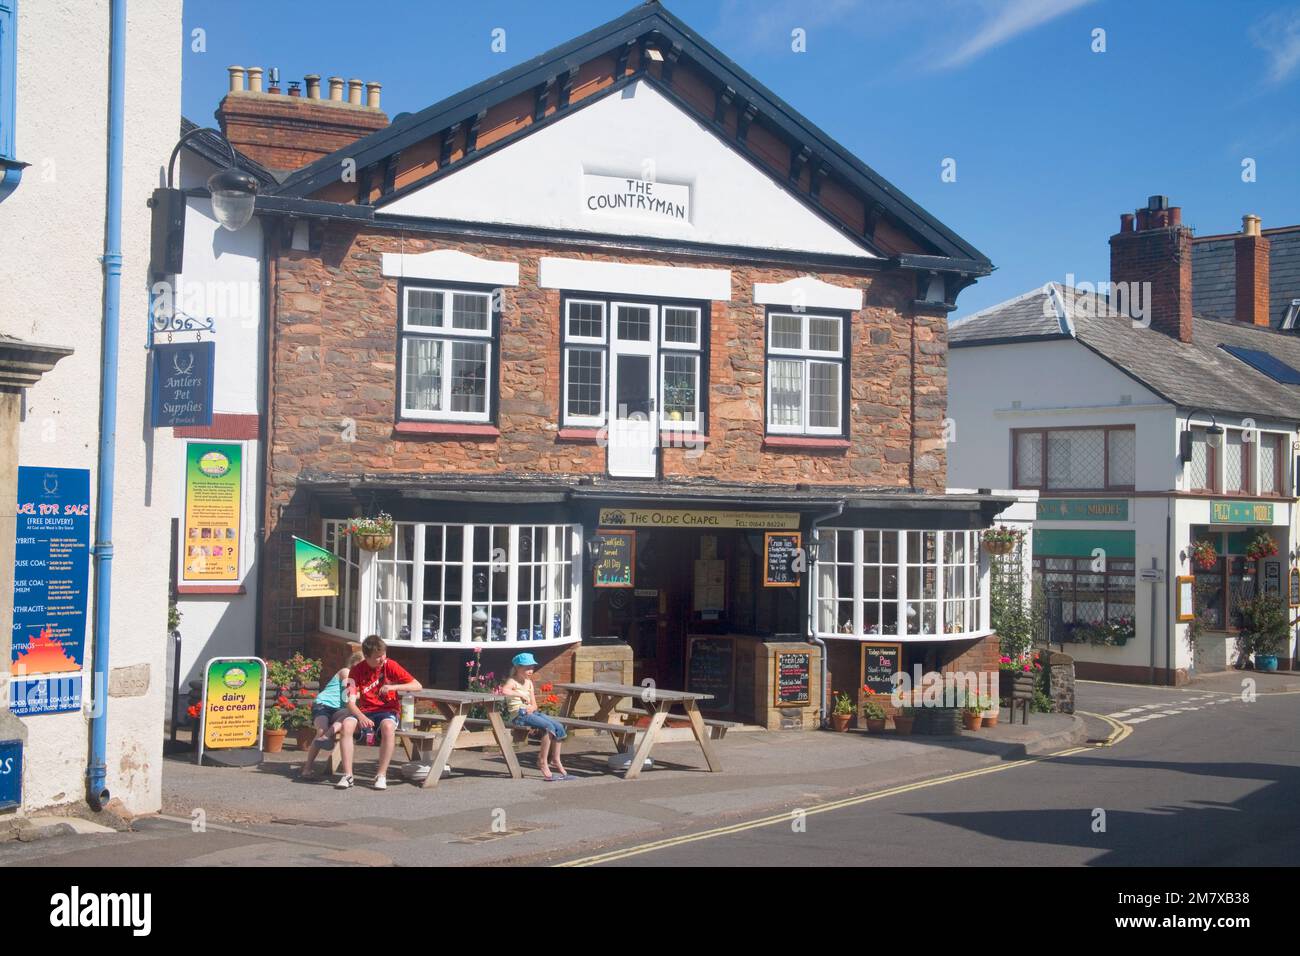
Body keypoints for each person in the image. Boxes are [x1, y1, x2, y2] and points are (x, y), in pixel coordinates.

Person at [335, 635, 422, 790]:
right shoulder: (355, 671)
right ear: (366, 657)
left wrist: (393, 687)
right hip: (365, 711)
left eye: (384, 655)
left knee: (388, 727)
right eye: (378, 657)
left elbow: (417, 685)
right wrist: (360, 716)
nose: (382, 659)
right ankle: (347, 775)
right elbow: (350, 702)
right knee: (347, 725)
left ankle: (381, 775)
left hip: (387, 710)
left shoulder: (391, 665)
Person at [500, 653, 569, 781]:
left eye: (532, 667)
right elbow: (504, 690)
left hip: (531, 712)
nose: (530, 670)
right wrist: (519, 694)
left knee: (558, 726)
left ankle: (555, 759)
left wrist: (532, 707)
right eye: (527, 668)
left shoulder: (529, 683)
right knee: (548, 727)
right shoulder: (513, 681)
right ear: (517, 668)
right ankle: (542, 762)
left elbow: (535, 704)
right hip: (518, 715)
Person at [301, 651, 363, 780]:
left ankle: (327, 736)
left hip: (337, 710)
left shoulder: (358, 680)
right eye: (360, 665)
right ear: (354, 663)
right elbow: (348, 693)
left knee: (349, 714)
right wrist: (360, 694)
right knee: (321, 730)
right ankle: (307, 768)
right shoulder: (346, 672)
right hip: (323, 705)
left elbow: (349, 701)